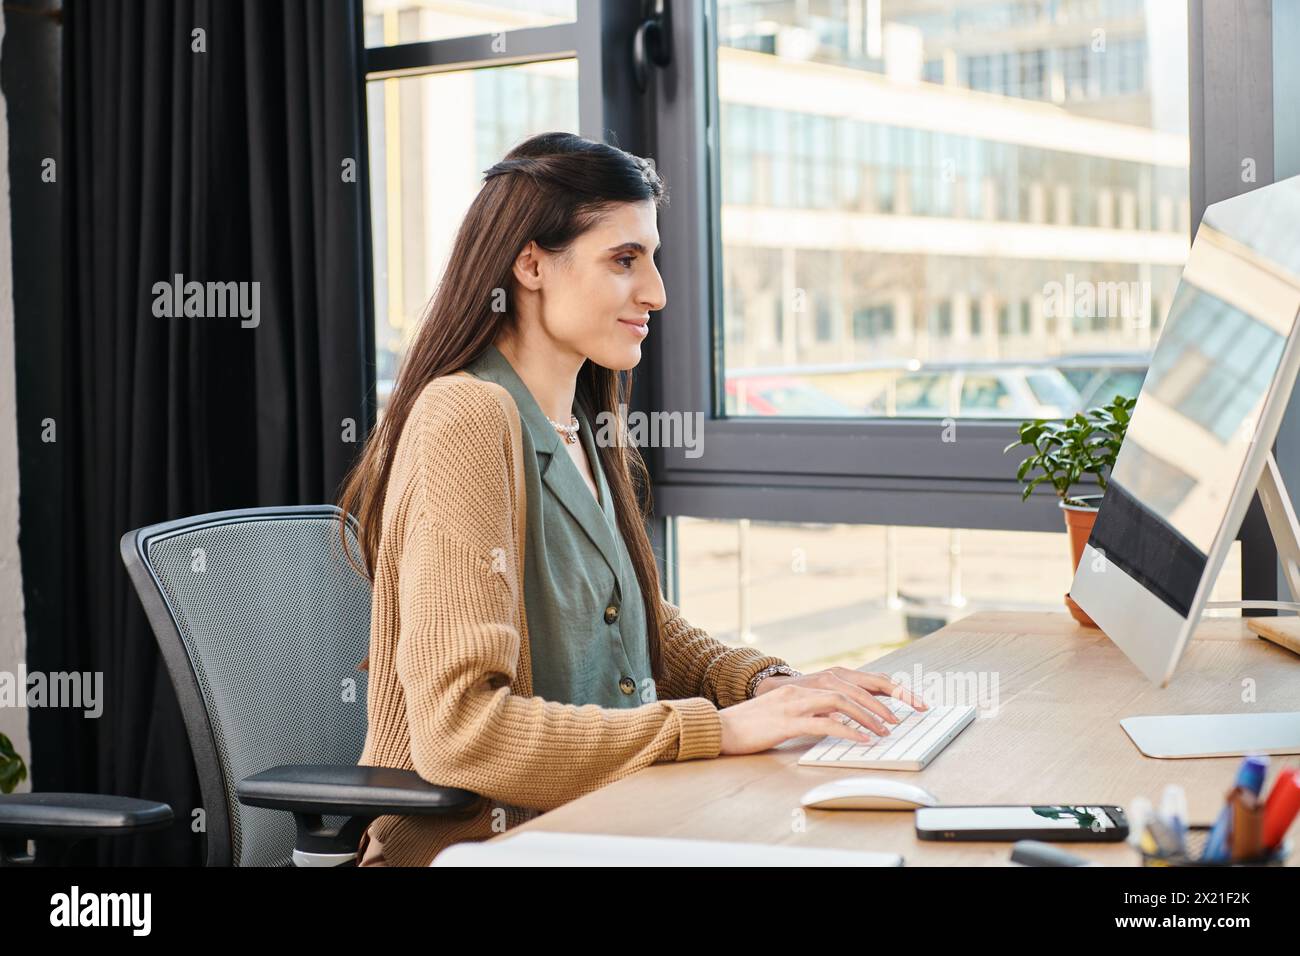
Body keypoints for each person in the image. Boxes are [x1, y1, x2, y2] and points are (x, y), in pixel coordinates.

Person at [337, 131, 925, 866]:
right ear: (530, 265)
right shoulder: (465, 416)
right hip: (486, 845)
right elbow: (463, 732)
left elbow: (636, 624)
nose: (657, 292)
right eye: (624, 260)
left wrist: (771, 686)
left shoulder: (580, 422)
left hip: (611, 821)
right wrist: (721, 729)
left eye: (652, 258)